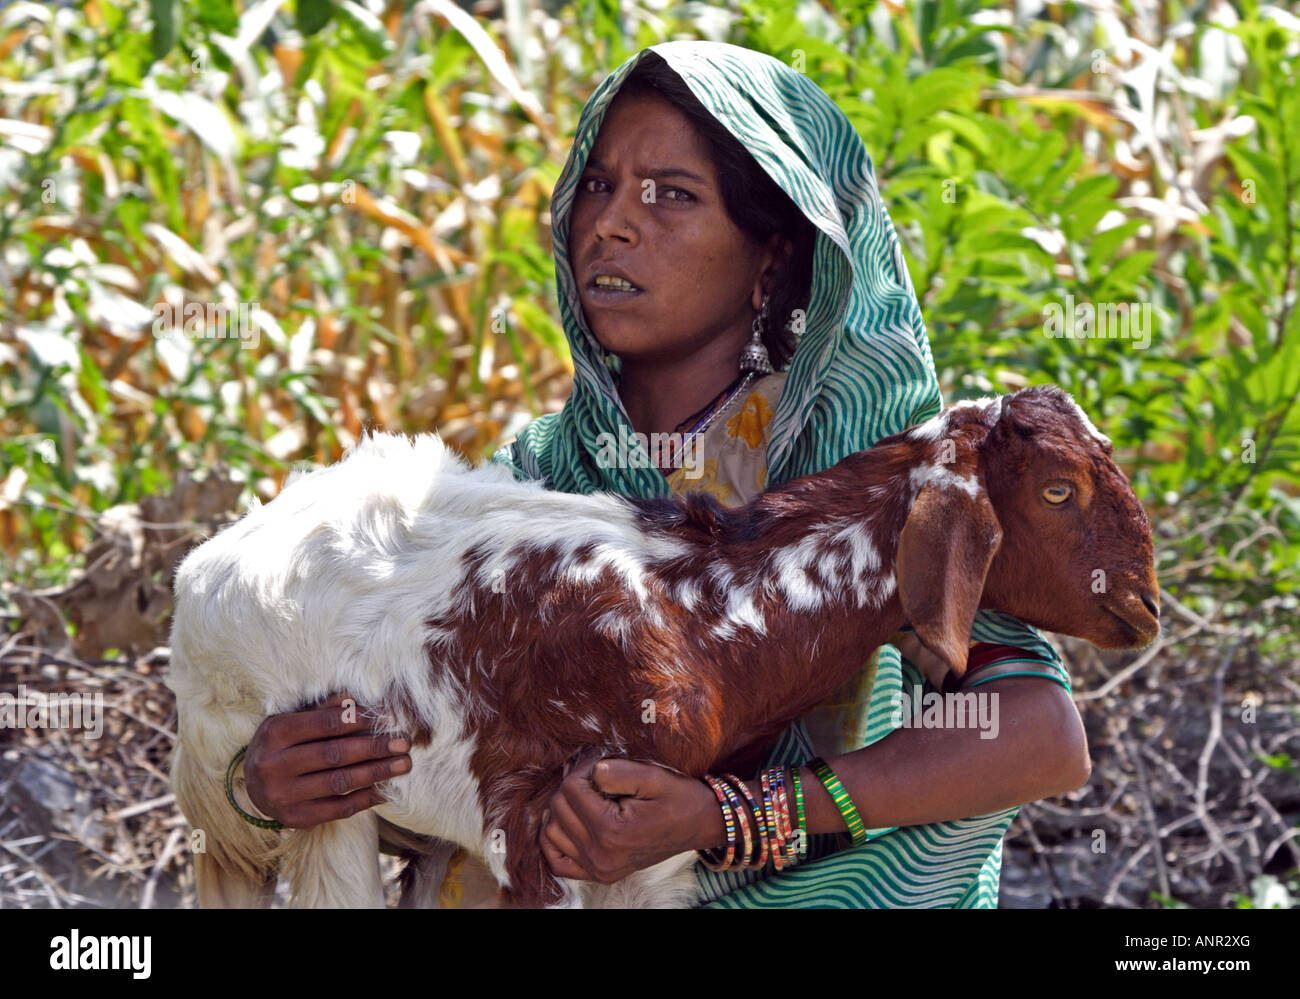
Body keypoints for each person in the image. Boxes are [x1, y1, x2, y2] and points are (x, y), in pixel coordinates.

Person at [239, 40, 1088, 908]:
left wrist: (729, 816)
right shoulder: (536, 477)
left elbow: (1036, 732)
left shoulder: (861, 480)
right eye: (598, 186)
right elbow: (433, 761)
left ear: (772, 256)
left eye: (672, 196)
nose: (611, 223)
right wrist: (270, 787)